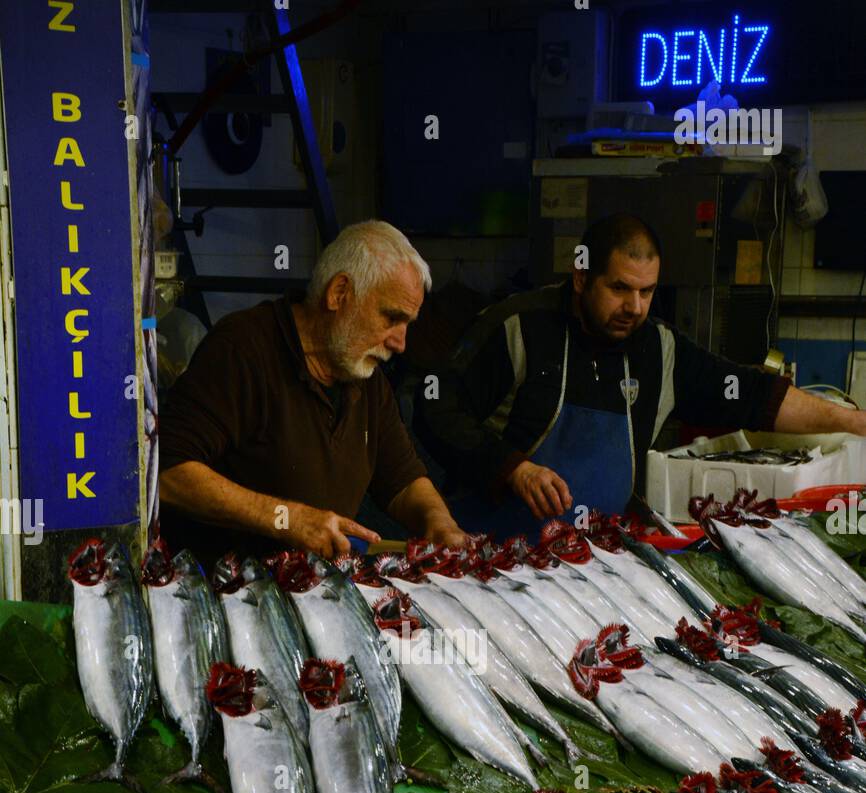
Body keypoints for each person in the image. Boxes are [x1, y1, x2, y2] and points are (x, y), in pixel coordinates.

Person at [419, 213, 866, 534]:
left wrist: (853, 422)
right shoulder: (518, 328)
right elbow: (435, 407)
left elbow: (752, 395)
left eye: (646, 291)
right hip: (484, 556)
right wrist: (511, 469)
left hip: (588, 563)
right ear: (581, 278)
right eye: (619, 289)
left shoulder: (659, 349)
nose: (633, 307)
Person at [158, 220, 468, 566]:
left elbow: (403, 479)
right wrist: (287, 519)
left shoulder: (365, 374)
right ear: (339, 293)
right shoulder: (242, 350)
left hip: (316, 587)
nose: (400, 343)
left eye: (407, 324)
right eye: (391, 318)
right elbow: (168, 473)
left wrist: (440, 523)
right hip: (230, 592)